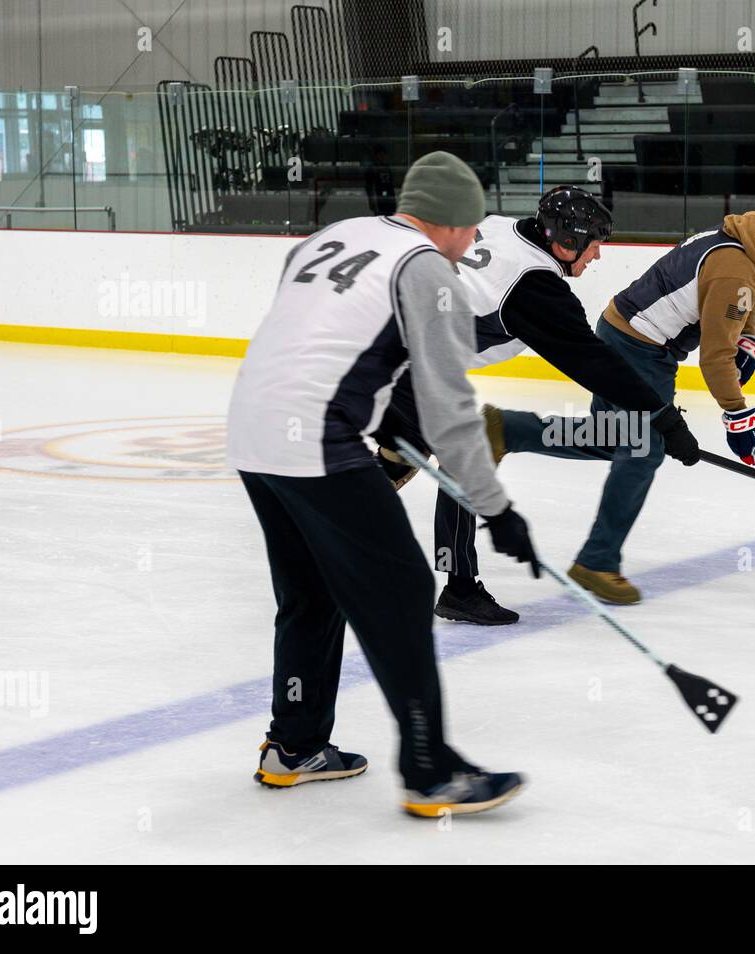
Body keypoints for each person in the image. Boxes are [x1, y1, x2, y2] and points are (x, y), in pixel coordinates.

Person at [226, 151, 534, 817]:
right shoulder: (425, 268)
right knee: (402, 590)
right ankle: (431, 772)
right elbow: (451, 408)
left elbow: (330, 344)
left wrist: (388, 424)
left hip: (252, 430)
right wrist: (497, 508)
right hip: (314, 435)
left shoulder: (333, 237)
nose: (475, 239)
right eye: (472, 226)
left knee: (310, 592)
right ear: (448, 221)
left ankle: (295, 746)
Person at [489, 183, 755, 605]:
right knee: (642, 451)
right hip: (639, 350)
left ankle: (507, 429)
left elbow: (740, 306)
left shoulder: (738, 246)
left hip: (625, 336)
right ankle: (597, 563)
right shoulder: (735, 266)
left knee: (613, 440)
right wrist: (738, 416)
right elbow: (715, 359)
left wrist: (750, 340)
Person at [375, 186, 700, 625]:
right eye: (594, 246)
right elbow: (594, 362)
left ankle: (324, 526)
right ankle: (459, 589)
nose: (597, 257)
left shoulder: (499, 226)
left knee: (400, 460)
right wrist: (661, 417)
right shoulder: (534, 286)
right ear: (566, 242)